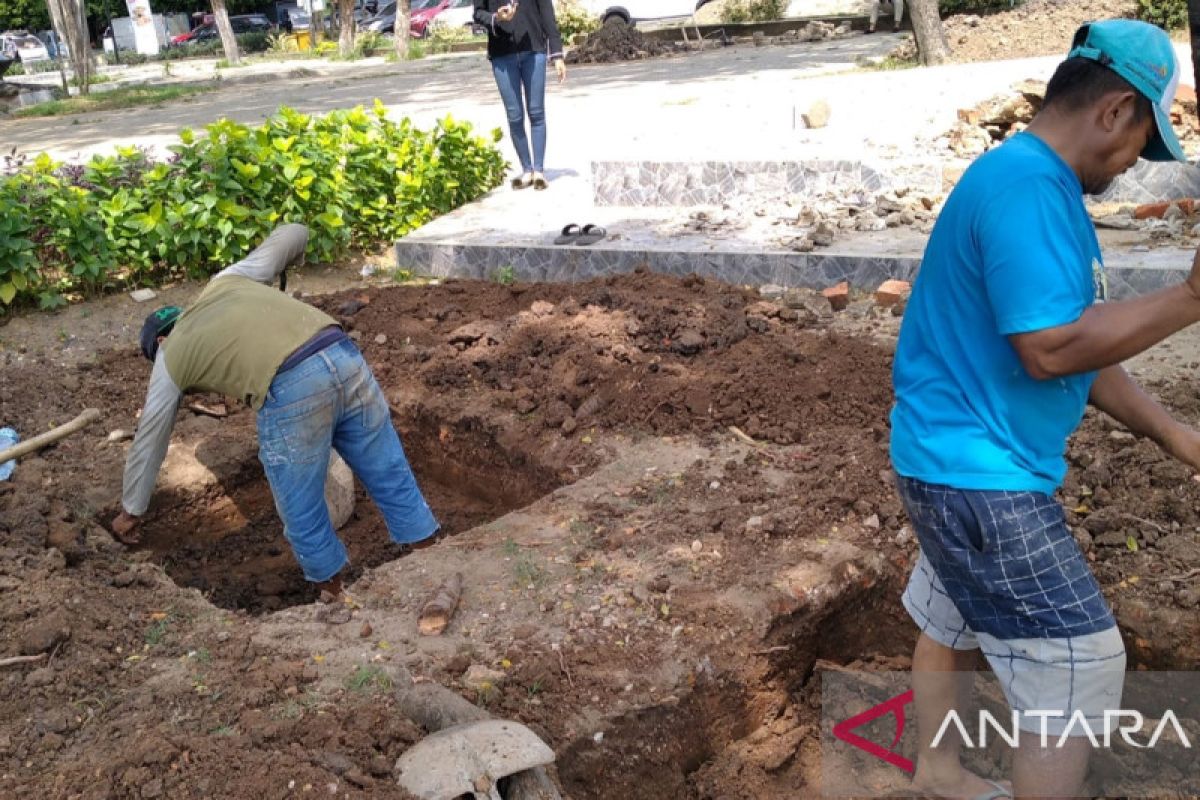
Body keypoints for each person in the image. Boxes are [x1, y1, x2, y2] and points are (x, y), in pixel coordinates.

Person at [890, 20, 1200, 799]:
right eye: (1141, 144)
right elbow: (1054, 348)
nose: (1133, 166)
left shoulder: (1031, 180)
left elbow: (1078, 352)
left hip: (946, 456)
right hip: (983, 477)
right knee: (1079, 661)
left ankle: (937, 773)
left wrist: (1171, 433)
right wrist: (1192, 297)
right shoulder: (1028, 190)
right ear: (1114, 110)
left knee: (951, 613)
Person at [111, 224, 439, 601]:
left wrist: (130, 511)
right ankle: (432, 564)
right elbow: (294, 232)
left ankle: (335, 599)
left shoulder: (170, 354)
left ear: (160, 342)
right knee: (388, 470)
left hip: (290, 386)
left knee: (300, 506)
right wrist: (293, 258)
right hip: (342, 354)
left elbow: (150, 437)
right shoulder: (227, 281)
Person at [473, 0, 567, 191]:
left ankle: (539, 171)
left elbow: (547, 14)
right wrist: (496, 17)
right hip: (501, 55)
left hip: (534, 51)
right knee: (514, 116)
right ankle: (527, 170)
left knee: (536, 112)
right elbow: (477, 13)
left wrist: (556, 54)